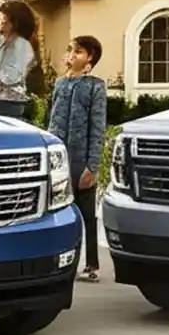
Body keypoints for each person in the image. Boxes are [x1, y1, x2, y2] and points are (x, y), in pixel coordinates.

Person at [47, 35, 108, 282]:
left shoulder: (95, 86)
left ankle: (91, 264)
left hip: (81, 160)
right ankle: (56, 261)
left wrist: (92, 166)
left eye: (79, 51)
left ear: (90, 57)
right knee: (57, 213)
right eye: (70, 49)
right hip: (59, 158)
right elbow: (52, 121)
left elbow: (98, 128)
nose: (72, 55)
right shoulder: (60, 84)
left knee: (85, 214)